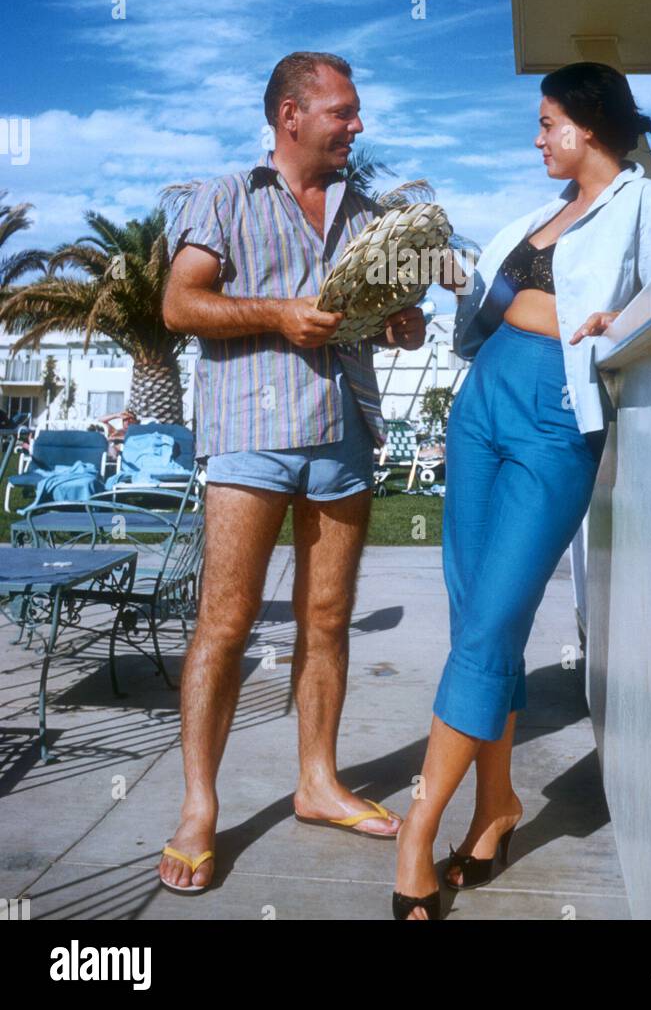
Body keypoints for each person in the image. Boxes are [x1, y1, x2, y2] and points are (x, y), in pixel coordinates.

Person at [392, 61, 651, 919]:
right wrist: (422, 264)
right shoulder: (536, 217)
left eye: (547, 123)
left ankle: (420, 829)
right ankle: (495, 806)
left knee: (490, 624)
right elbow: (486, 306)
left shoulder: (647, 205)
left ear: (590, 125)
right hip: (482, 402)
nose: (536, 138)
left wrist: (615, 323)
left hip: (555, 418)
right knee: (475, 618)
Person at [159, 51, 425, 893]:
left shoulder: (368, 212)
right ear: (291, 117)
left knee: (327, 616)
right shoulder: (227, 196)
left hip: (342, 433)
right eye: (342, 112)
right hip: (248, 434)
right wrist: (278, 312)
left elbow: (393, 320)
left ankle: (317, 783)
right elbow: (180, 305)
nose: (356, 125)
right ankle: (199, 808)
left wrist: (402, 320)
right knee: (227, 621)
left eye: (355, 111)